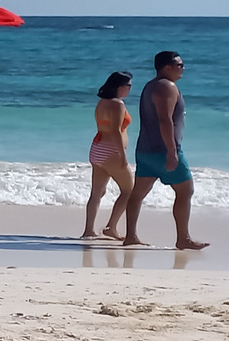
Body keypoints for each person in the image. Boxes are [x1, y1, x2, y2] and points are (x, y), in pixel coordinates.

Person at [123, 51, 207, 250]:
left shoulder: (150, 85)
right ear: (167, 67)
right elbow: (165, 120)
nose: (183, 69)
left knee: (138, 193)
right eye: (180, 65)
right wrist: (172, 151)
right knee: (186, 190)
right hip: (162, 150)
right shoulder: (166, 87)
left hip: (145, 149)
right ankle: (183, 238)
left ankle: (131, 236)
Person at [81, 71, 134, 240]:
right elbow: (116, 131)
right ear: (120, 87)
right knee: (129, 191)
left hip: (97, 148)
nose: (130, 89)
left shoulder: (102, 102)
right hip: (112, 151)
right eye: (129, 86)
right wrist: (122, 156)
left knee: (97, 193)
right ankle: (111, 227)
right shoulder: (118, 104)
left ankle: (89, 230)